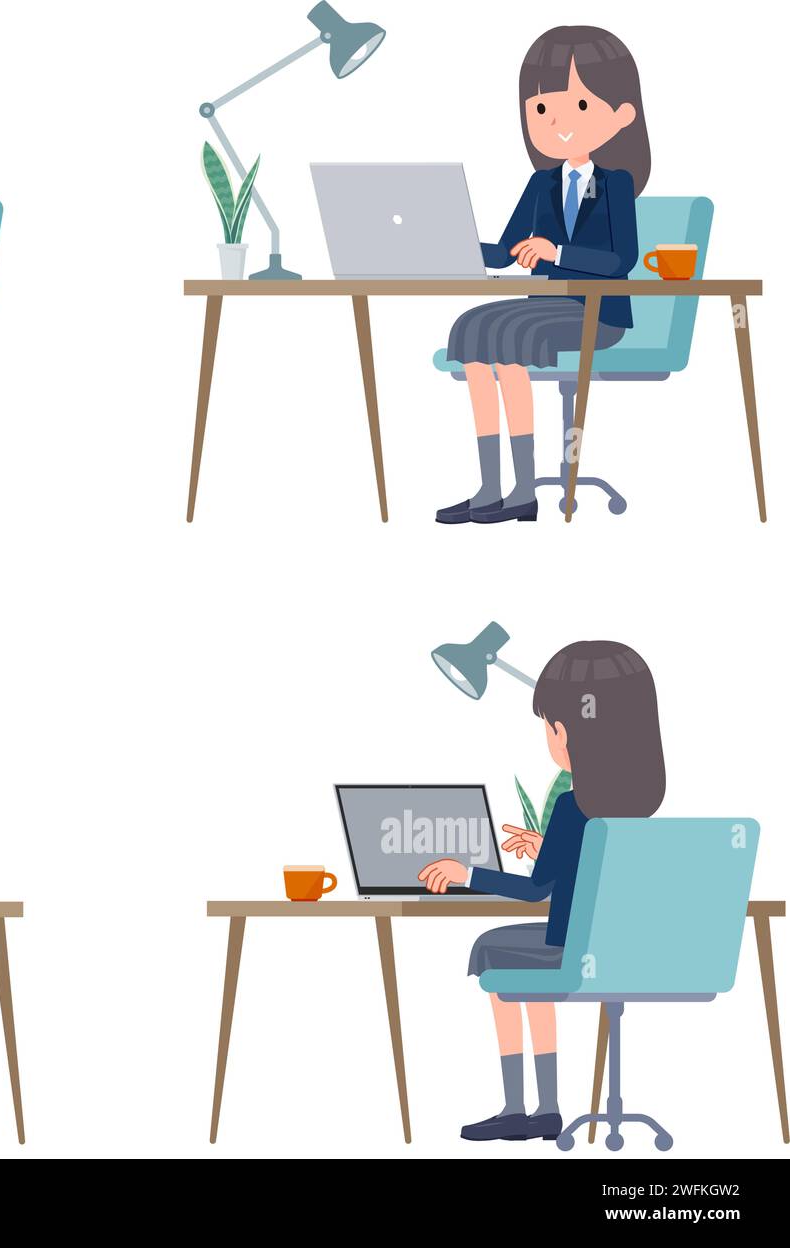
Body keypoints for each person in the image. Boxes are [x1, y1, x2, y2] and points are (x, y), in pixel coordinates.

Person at [419, 640, 665, 1142]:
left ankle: (522, 1107)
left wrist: (466, 873)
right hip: (627, 950)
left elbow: (536, 893)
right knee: (525, 956)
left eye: (550, 726)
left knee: (493, 949)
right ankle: (546, 1108)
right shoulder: (642, 806)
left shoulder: (576, 806)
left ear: (565, 731)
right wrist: (548, 846)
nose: (549, 737)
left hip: (575, 952)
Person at [436, 27, 647, 525]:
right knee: (471, 327)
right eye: (540, 110)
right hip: (548, 306)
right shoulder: (541, 183)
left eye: (576, 107)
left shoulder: (616, 185)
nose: (555, 122)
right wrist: (450, 244)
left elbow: (623, 260)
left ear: (621, 115)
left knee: (507, 335)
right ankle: (491, 486)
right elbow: (507, 252)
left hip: (598, 312)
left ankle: (524, 492)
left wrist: (557, 252)